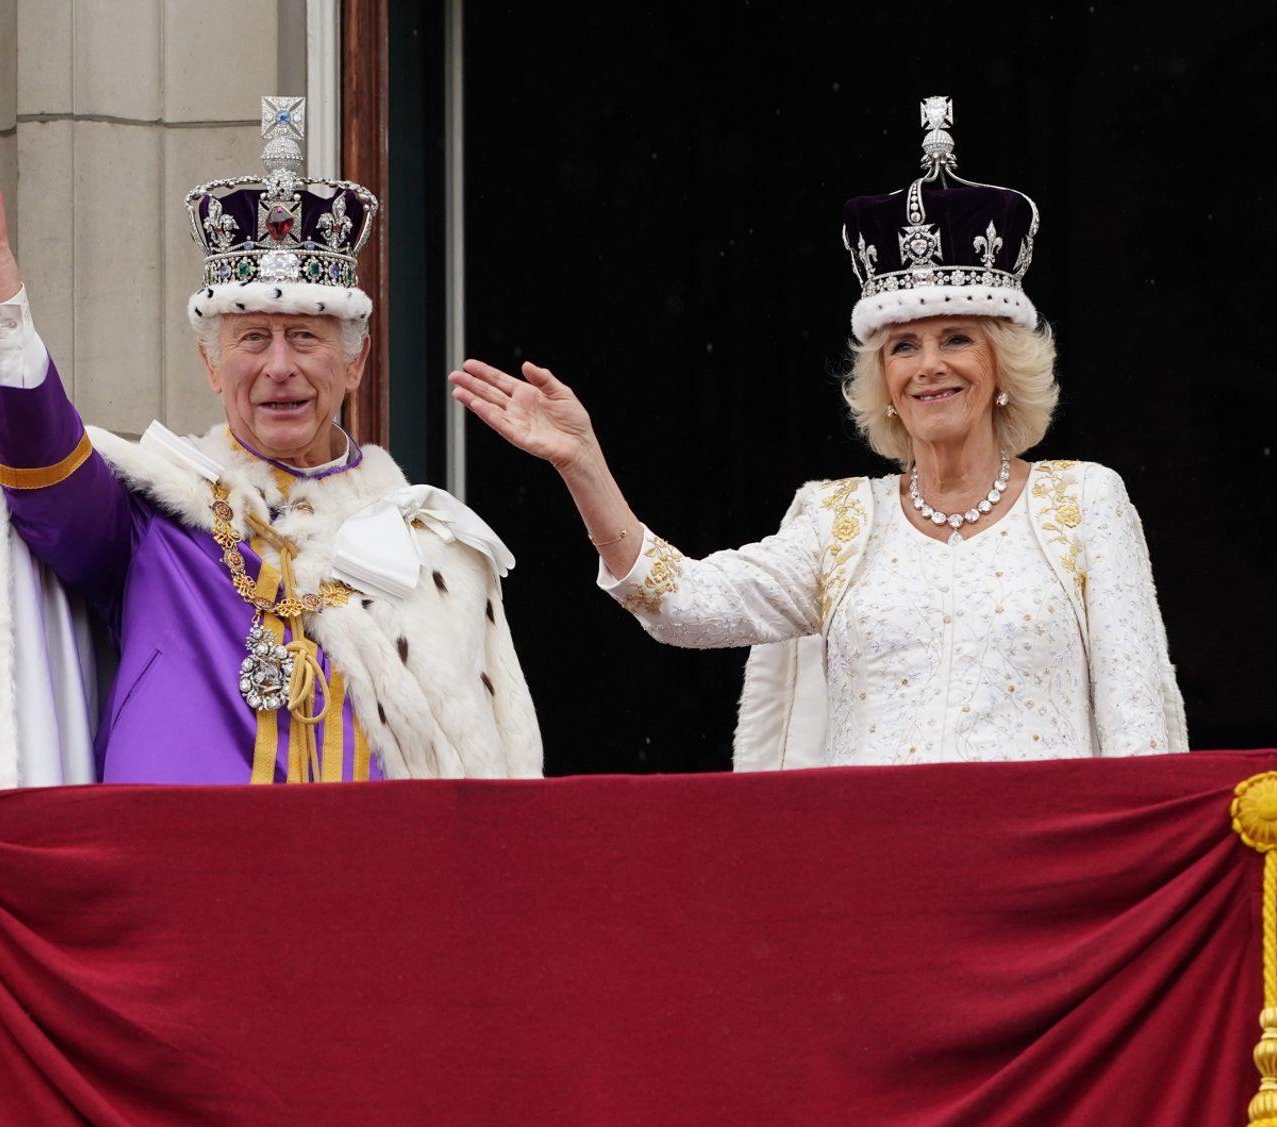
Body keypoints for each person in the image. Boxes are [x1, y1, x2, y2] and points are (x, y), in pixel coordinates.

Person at [451, 96, 1183, 769]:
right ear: (885, 382)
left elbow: (1139, 726)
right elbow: (680, 605)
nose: (929, 366)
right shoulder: (837, 523)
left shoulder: (1084, 504)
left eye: (957, 338)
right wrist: (582, 462)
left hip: (1040, 858)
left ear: (1002, 367)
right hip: (873, 858)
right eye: (904, 346)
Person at [0, 96, 541, 791]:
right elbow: (43, 469)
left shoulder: (433, 552)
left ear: (355, 363)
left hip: (371, 860)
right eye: (252, 338)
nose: (279, 366)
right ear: (212, 365)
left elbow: (491, 789)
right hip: (171, 857)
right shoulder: (153, 520)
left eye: (304, 336)